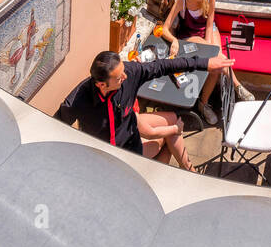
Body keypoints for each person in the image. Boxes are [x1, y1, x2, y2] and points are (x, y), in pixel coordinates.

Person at [56, 48, 231, 170]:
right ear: (102, 84)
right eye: (119, 78)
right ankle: (154, 174)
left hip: (130, 130)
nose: (126, 76)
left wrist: (204, 63)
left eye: (124, 70)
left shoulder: (129, 73)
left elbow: (163, 66)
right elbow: (56, 128)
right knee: (168, 140)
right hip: (119, 157)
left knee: (172, 119)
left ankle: (189, 171)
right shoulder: (79, 100)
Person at [155, 0, 255, 125]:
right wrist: (174, 40)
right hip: (190, 34)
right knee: (216, 60)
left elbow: (209, 24)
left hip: (208, 31)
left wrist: (207, 46)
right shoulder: (182, 0)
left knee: (216, 66)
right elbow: (164, 29)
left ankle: (203, 104)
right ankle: (238, 86)